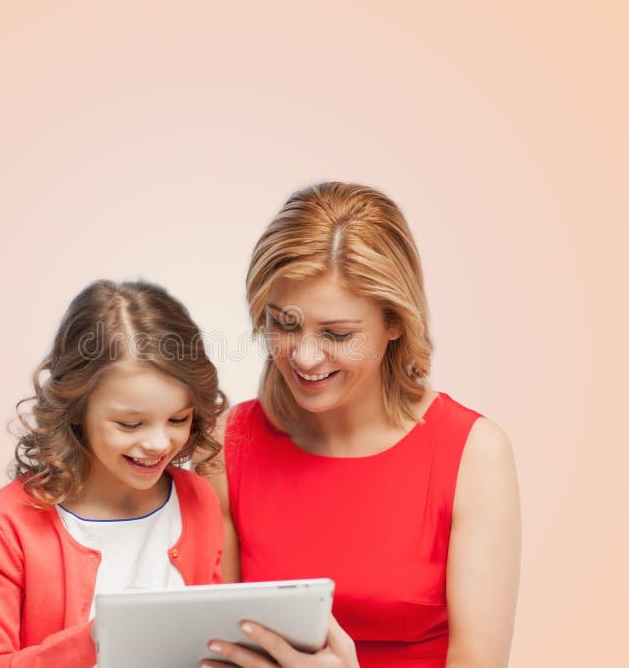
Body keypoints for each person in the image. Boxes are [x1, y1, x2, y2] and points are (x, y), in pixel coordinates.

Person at [199, 183, 521, 668]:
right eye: (284, 324)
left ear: (395, 323)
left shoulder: (473, 455)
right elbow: (213, 646)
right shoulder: (229, 445)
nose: (304, 357)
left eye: (337, 334)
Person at [0, 280, 226, 668]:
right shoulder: (8, 526)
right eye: (130, 424)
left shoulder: (197, 500)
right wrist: (95, 641)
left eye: (177, 419)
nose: (158, 443)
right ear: (78, 411)